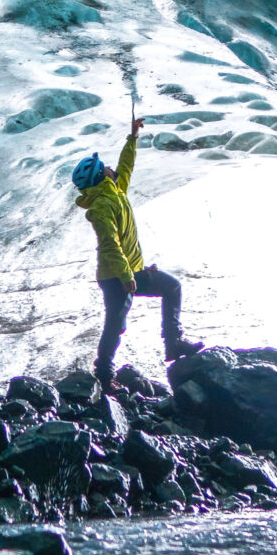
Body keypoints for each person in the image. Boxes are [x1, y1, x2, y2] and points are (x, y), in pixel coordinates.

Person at [72, 114, 201, 393]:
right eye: (104, 167)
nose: (110, 167)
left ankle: (173, 343)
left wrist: (133, 136)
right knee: (115, 325)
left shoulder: (115, 190)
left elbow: (125, 166)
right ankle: (104, 375)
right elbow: (109, 243)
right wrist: (126, 275)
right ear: (100, 175)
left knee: (171, 286)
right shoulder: (101, 206)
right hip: (116, 276)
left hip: (129, 270)